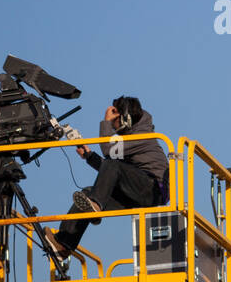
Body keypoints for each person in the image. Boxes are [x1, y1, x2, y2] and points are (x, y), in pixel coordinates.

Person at [47, 95, 168, 263]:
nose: (112, 124)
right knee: (88, 194)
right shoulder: (128, 139)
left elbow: (110, 154)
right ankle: (63, 245)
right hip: (138, 191)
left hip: (151, 188)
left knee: (106, 177)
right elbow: (112, 172)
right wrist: (89, 156)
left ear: (125, 119)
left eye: (114, 120)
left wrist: (105, 121)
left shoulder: (141, 135)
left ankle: (95, 207)